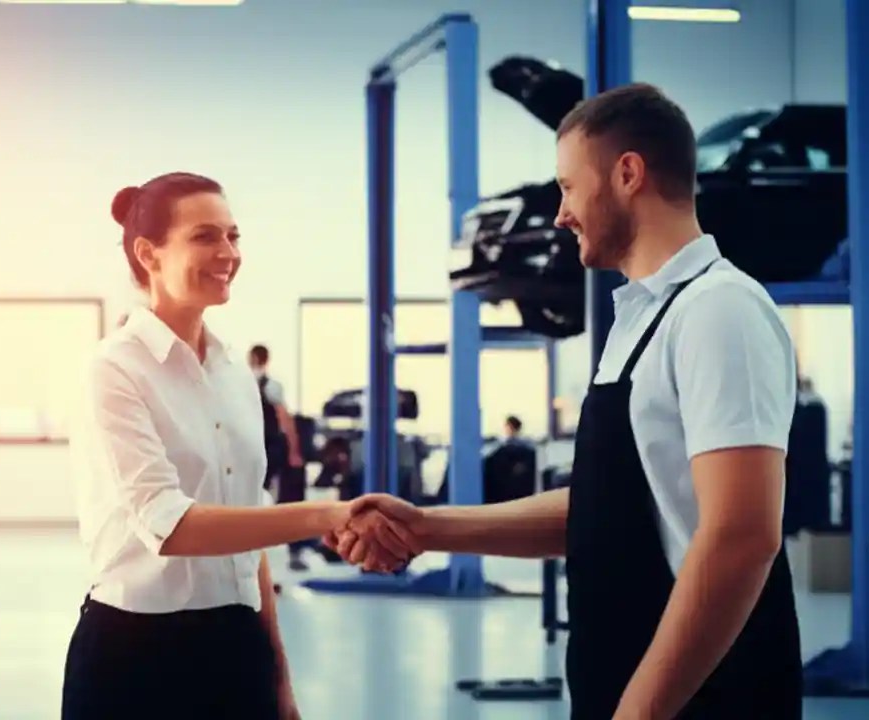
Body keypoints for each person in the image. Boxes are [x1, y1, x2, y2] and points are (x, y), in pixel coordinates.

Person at [331, 83, 802, 720]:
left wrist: (640, 710)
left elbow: (742, 535)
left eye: (568, 187)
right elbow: (610, 509)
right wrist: (426, 526)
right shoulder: (643, 318)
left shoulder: (719, 310)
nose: (560, 213)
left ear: (628, 174)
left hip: (701, 700)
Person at [63, 172, 416, 720]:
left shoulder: (232, 375)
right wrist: (330, 514)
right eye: (205, 237)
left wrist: (278, 677)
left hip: (237, 644)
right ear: (148, 254)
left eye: (233, 236)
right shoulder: (113, 370)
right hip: (135, 655)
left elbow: (249, 548)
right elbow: (171, 526)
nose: (227, 252)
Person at [248, 344, 309, 570]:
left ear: (252, 358)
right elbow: (285, 420)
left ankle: (249, 549)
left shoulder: (244, 384)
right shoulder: (272, 386)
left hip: (254, 447)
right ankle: (292, 552)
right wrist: (294, 451)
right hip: (269, 447)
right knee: (282, 499)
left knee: (249, 499)